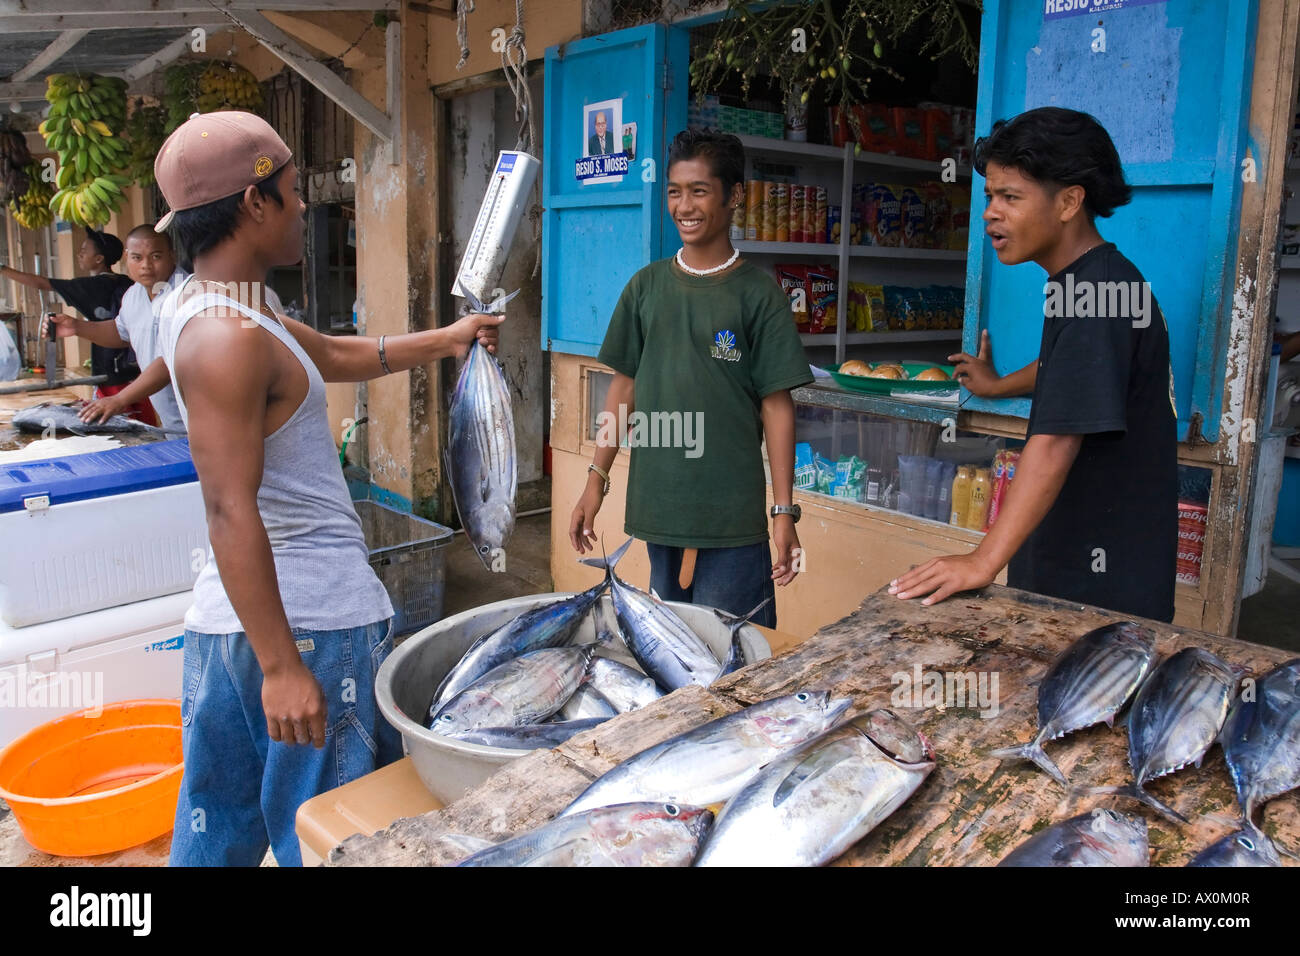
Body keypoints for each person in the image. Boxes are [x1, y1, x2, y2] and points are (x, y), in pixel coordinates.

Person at [152, 111, 502, 866]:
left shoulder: (241, 306)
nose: (306, 206)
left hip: (232, 630)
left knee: (218, 829)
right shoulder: (227, 338)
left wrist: (449, 338)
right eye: (291, 189)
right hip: (305, 628)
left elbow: (337, 355)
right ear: (253, 204)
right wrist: (283, 668)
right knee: (336, 842)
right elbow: (227, 507)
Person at [890, 107, 1178, 623]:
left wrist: (982, 560)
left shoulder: (1099, 293)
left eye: (1010, 197)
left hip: (1095, 587)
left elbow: (1058, 438)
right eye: (989, 198)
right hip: (1081, 565)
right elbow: (1069, 370)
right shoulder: (1097, 284)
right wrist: (998, 385)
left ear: (1069, 201)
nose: (990, 214)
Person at [569, 129, 812, 627]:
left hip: (731, 519)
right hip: (660, 510)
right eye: (675, 191)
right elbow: (623, 390)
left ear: (734, 196)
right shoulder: (646, 288)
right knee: (675, 660)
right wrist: (596, 481)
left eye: (699, 190)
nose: (684, 205)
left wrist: (783, 510)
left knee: (734, 663)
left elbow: (776, 405)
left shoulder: (759, 295)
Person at [46, 225, 190, 430]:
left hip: (204, 422)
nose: (146, 265)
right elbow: (120, 332)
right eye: (137, 258)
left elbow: (170, 361)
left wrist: (119, 399)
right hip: (174, 423)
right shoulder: (134, 294)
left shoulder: (187, 294)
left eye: (156, 256)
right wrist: (76, 327)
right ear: (126, 258)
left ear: (172, 256)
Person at [0, 229, 139, 404]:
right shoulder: (124, 281)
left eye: (84, 250)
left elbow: (41, 283)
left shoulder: (92, 286)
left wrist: (3, 269)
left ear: (99, 259)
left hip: (112, 373)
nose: (79, 254)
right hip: (133, 368)